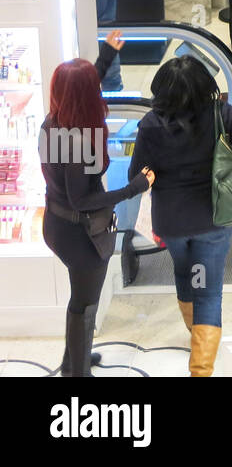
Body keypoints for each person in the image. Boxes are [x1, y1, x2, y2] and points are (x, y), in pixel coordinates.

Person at [129, 56, 232, 376]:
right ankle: (201, 367)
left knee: (185, 274)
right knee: (207, 288)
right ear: (206, 86)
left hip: (171, 222)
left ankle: (198, 336)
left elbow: (134, 175)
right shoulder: (220, 114)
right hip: (214, 219)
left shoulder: (151, 124)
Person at [41, 56, 154, 376]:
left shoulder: (51, 123)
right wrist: (134, 188)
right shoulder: (77, 141)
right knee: (84, 303)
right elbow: (83, 200)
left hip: (56, 223)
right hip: (80, 234)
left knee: (80, 299)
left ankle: (74, 360)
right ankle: (77, 372)